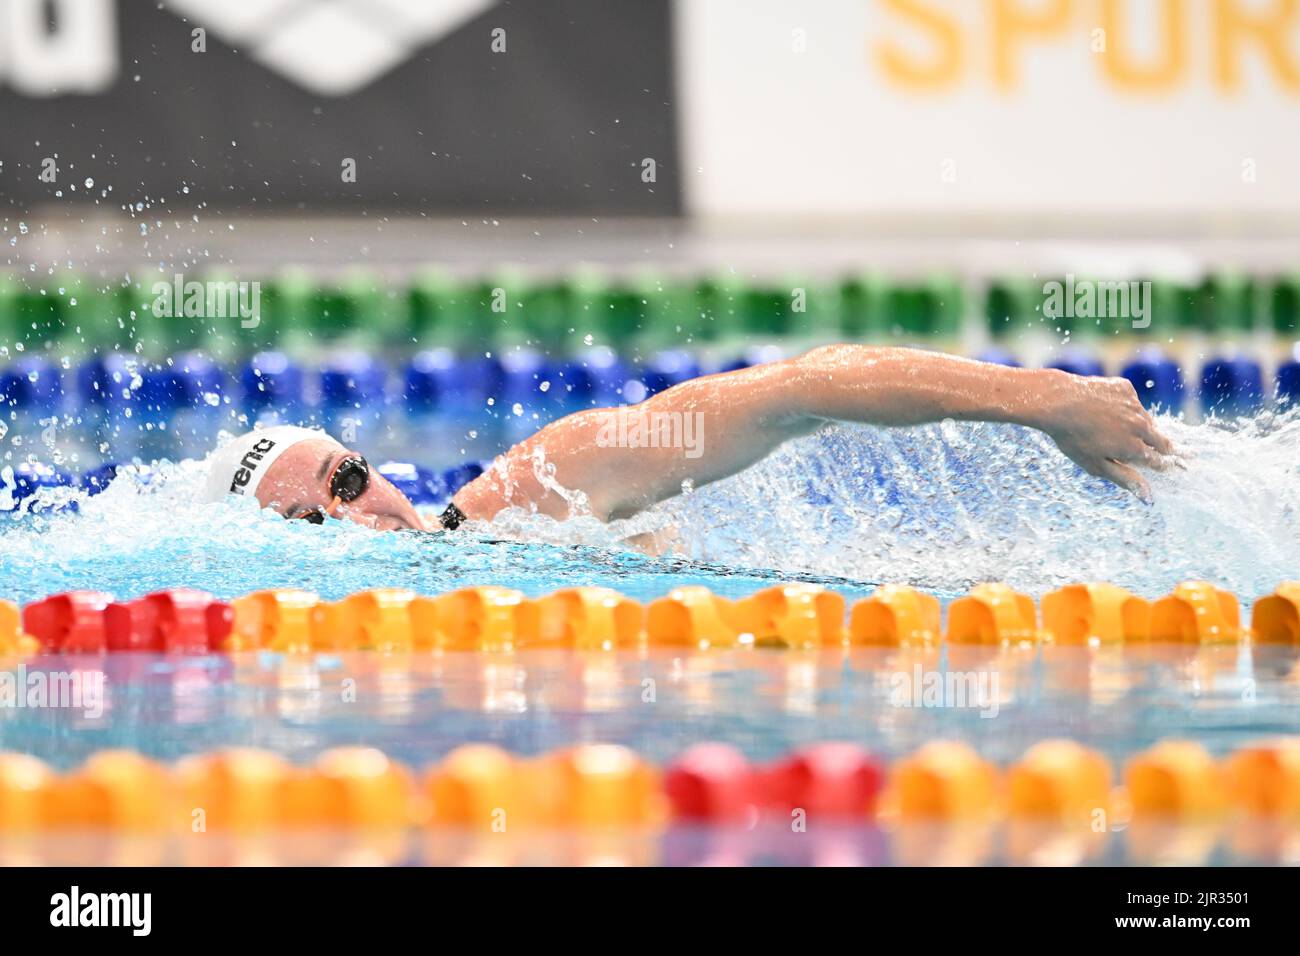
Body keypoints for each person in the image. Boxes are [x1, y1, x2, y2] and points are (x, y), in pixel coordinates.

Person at [199, 345, 1176, 533]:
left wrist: (1042, 397)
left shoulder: (539, 486)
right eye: (313, 521)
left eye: (348, 476)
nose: (357, 511)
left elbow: (793, 389)